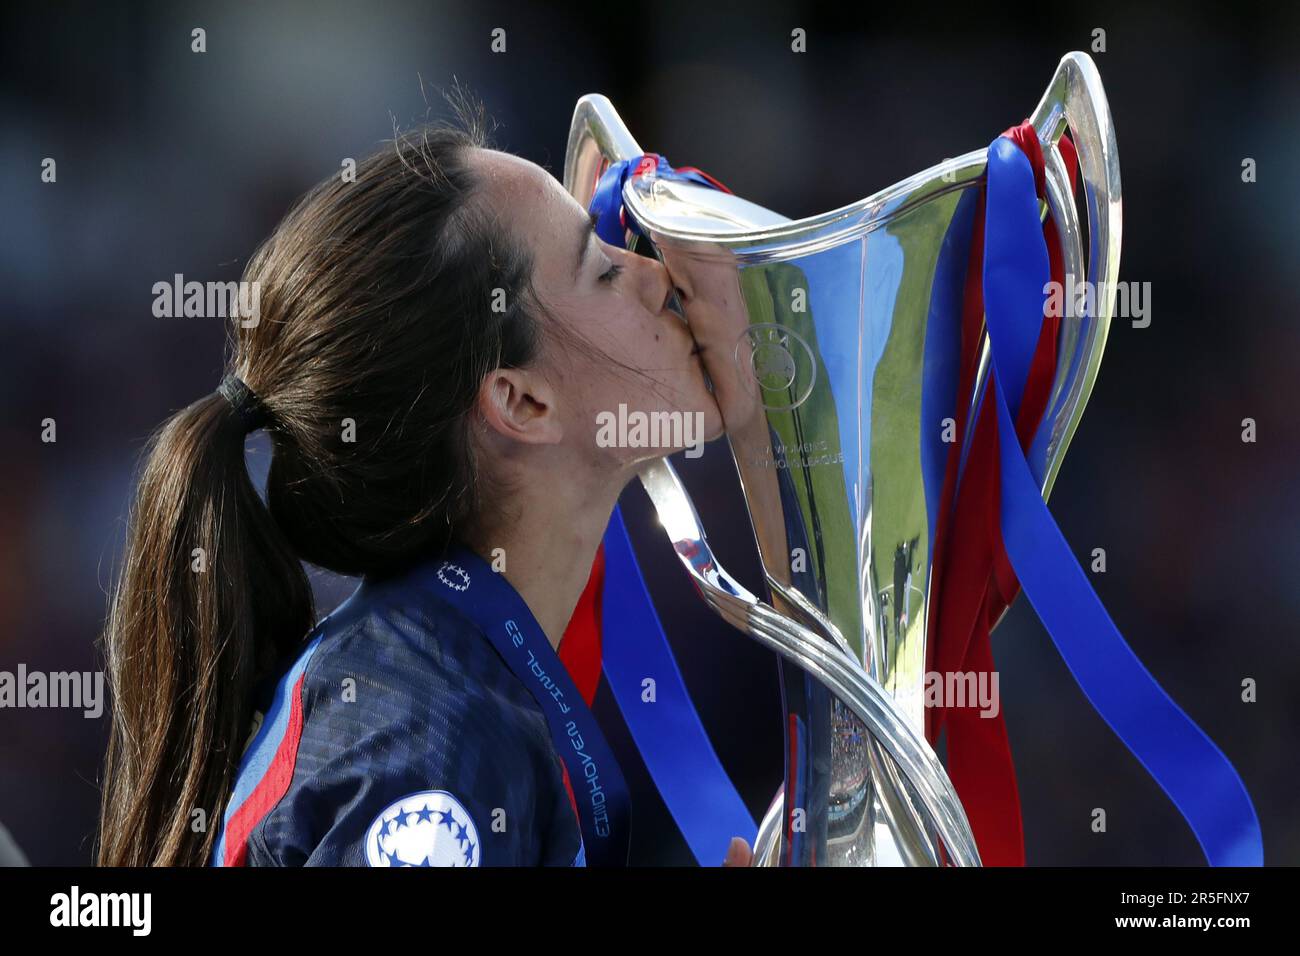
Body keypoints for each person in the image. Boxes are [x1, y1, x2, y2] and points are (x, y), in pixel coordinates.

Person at [96, 93, 752, 867]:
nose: (656, 276)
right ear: (519, 399)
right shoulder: (428, 741)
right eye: (605, 268)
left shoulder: (433, 688)